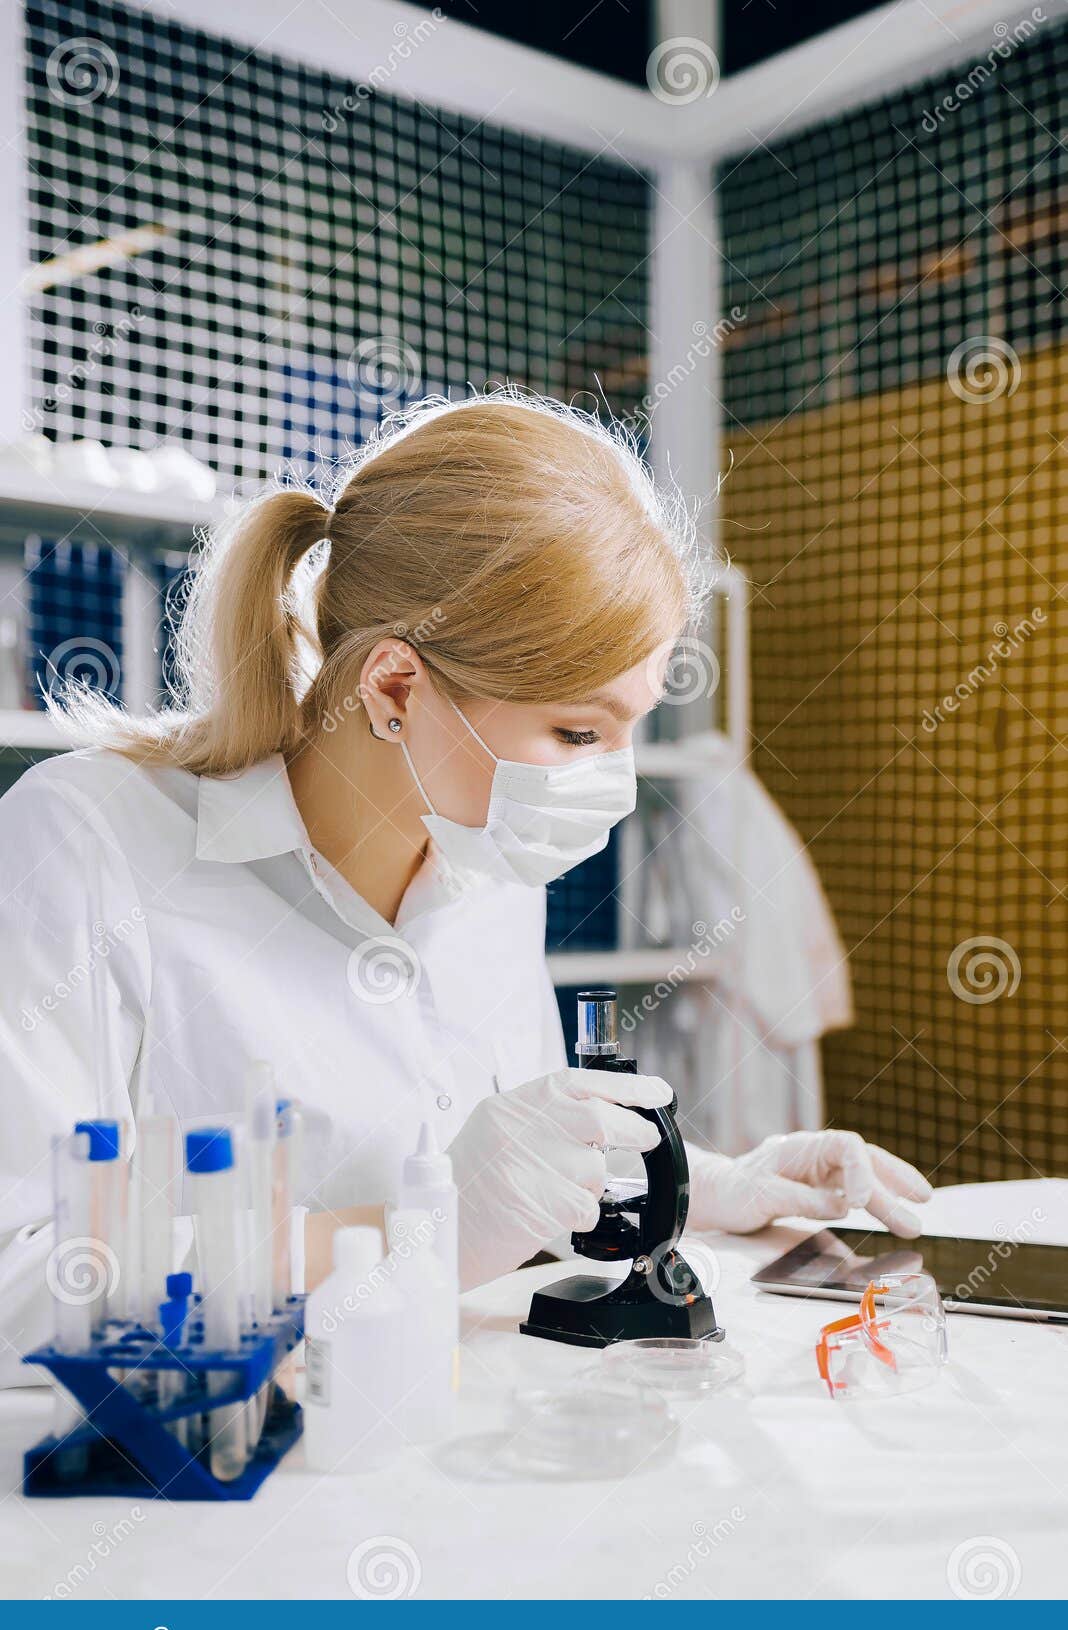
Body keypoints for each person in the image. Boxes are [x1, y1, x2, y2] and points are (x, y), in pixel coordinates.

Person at [0, 395, 931, 1369]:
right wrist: (417, 1234)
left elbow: (510, 1181)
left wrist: (701, 1183)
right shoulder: (83, 847)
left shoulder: (488, 866)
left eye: (629, 728)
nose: (610, 782)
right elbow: (26, 1286)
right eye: (578, 731)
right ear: (395, 685)